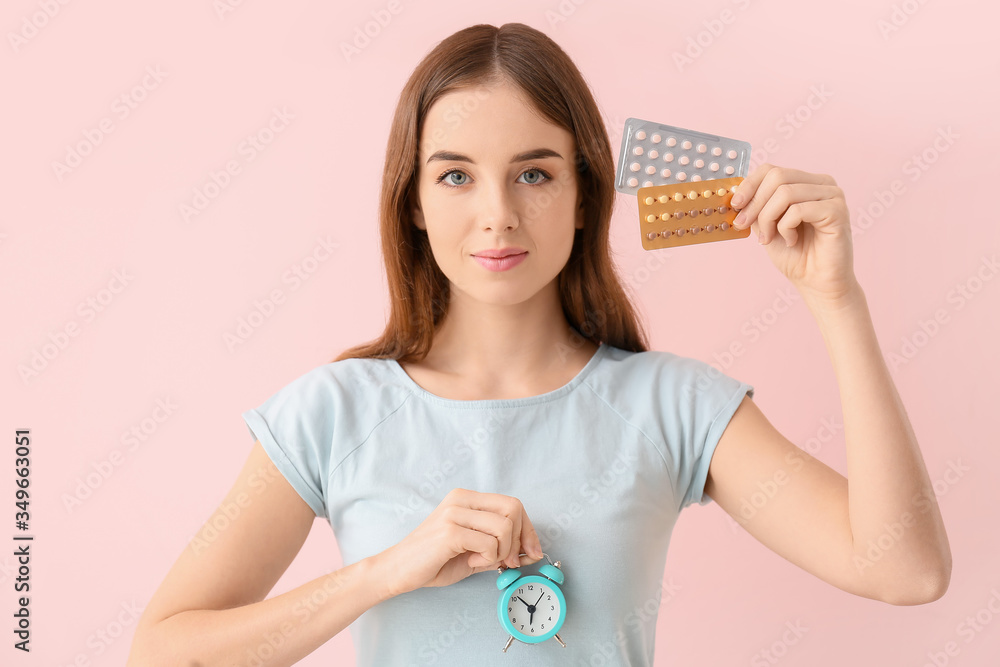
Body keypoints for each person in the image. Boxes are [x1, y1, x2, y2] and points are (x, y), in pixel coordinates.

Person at [127, 22, 952, 667]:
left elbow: (905, 569)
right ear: (412, 201)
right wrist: (389, 570)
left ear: (586, 194)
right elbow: (162, 651)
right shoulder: (331, 412)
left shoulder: (675, 406)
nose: (498, 215)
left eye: (535, 172)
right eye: (455, 174)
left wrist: (836, 300)